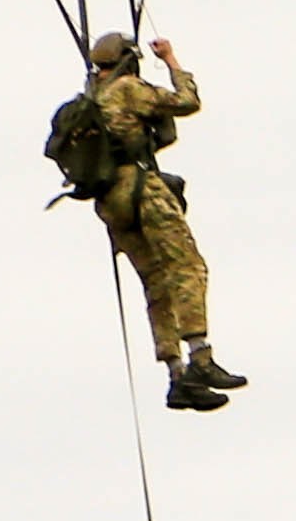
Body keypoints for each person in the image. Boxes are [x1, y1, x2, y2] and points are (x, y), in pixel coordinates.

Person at [46, 30, 245, 409]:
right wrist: (170, 60)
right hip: (141, 190)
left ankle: (176, 374)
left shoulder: (92, 97)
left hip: (110, 202)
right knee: (188, 267)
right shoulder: (128, 89)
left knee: (156, 282)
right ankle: (200, 359)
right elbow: (187, 102)